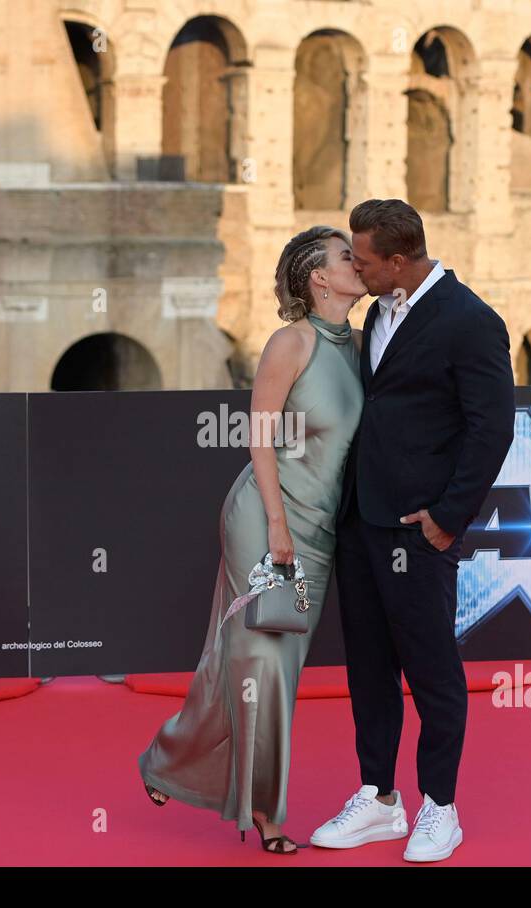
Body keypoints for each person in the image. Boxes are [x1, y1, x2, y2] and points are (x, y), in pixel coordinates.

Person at [138, 225, 367, 854]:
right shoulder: (290, 343)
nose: (360, 262)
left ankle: (168, 757)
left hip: (319, 530)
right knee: (262, 664)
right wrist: (275, 523)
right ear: (319, 278)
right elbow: (258, 436)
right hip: (264, 520)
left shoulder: (363, 345)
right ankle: (266, 813)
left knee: (265, 666)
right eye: (348, 256)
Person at [310, 198, 515, 862]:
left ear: (398, 260)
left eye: (362, 260)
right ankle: (377, 798)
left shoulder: (471, 322)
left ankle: (441, 807)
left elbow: (493, 428)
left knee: (430, 669)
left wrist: (448, 518)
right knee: (368, 667)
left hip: (418, 529)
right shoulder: (375, 312)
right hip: (361, 522)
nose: (354, 268)